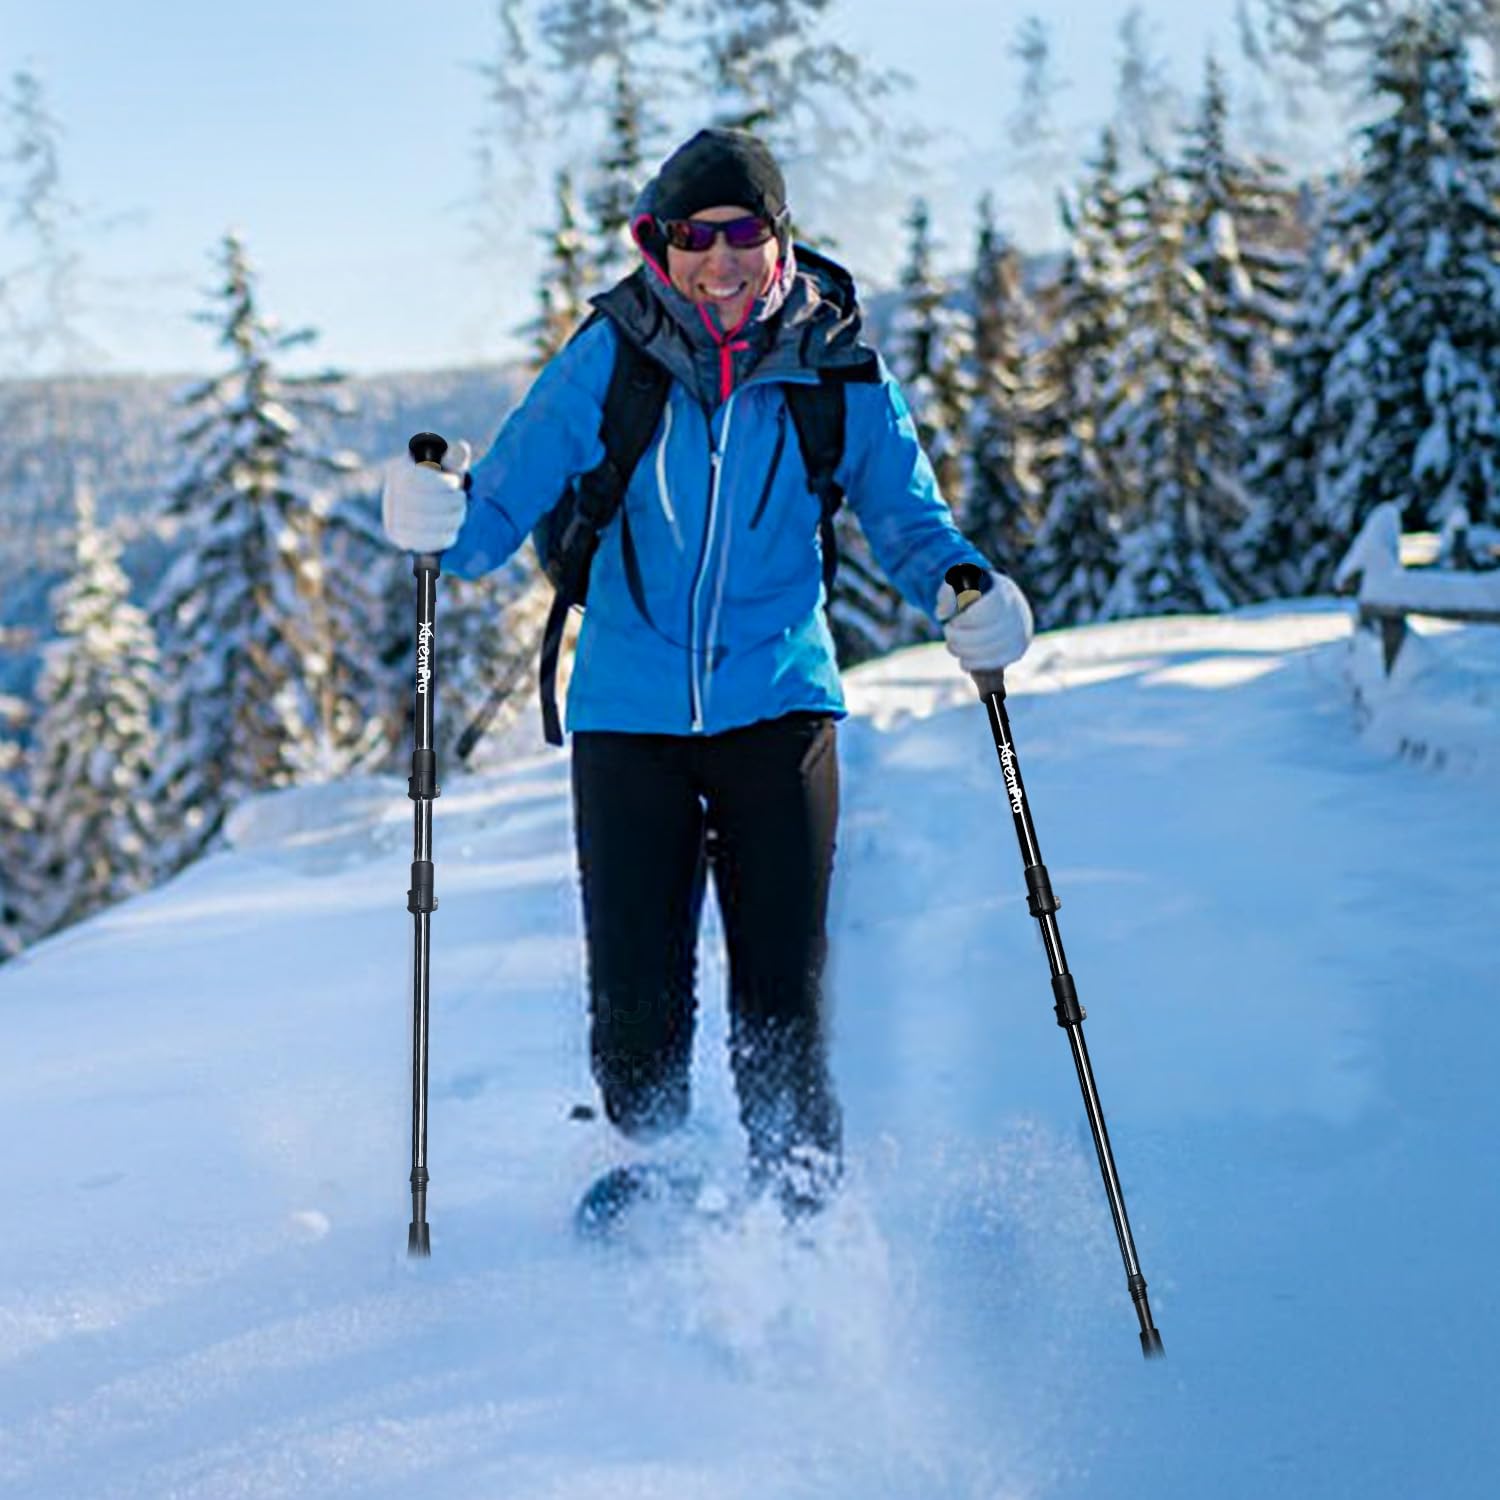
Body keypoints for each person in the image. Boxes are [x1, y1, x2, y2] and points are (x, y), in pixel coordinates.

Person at [381, 127, 1033, 1220]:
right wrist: (434, 521)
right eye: (694, 237)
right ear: (660, 244)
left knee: (784, 998)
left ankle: (799, 1215)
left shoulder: (835, 366)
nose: (718, 261)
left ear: (778, 239)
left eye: (741, 234)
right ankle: (662, 1182)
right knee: (637, 1015)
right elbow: (494, 508)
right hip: (629, 717)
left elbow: (912, 523)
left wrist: (971, 589)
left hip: (780, 705)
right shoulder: (611, 355)